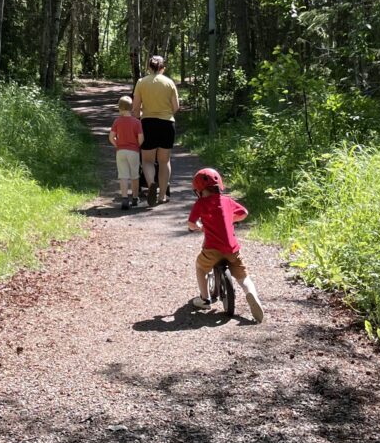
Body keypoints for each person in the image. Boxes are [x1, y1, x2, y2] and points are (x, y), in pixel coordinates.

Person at [186, 167, 264, 322]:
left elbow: (191, 223)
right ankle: (252, 295)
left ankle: (205, 299)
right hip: (233, 250)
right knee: (243, 277)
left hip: (212, 250)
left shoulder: (200, 203)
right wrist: (230, 219)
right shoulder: (227, 201)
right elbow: (244, 213)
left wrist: (198, 227)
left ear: (199, 190)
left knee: (200, 267)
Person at [133, 53, 179, 204]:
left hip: (148, 123)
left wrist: (140, 116)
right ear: (162, 68)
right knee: (164, 161)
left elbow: (135, 108)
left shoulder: (141, 82)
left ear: (149, 67)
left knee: (147, 160)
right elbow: (176, 107)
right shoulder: (169, 82)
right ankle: (162, 196)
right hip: (167, 124)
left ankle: (151, 183)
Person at [107, 95, 145, 209]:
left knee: (123, 175)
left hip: (121, 151)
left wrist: (117, 144)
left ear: (119, 108)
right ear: (131, 108)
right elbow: (141, 138)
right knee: (135, 175)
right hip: (133, 151)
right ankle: (135, 197)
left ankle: (124, 199)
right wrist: (137, 146)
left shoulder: (117, 121)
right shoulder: (136, 122)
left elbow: (111, 137)